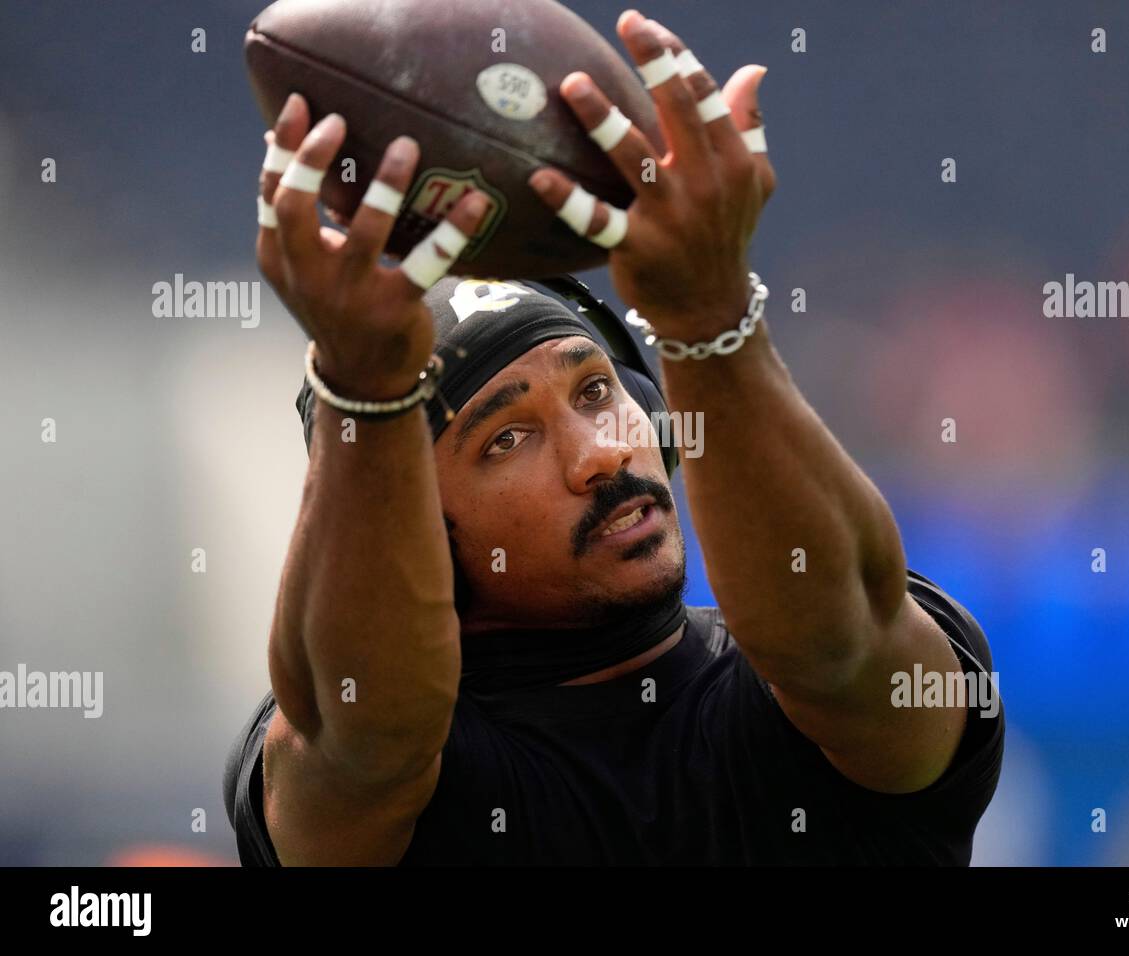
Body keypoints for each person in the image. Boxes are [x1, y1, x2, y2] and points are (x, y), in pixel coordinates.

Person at [224, 10, 1003, 866]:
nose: (600, 454)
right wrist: (363, 398)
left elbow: (838, 645)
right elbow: (361, 739)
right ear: (424, 535)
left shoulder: (831, 694)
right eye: (504, 439)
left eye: (596, 391)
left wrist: (706, 312)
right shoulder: (380, 769)